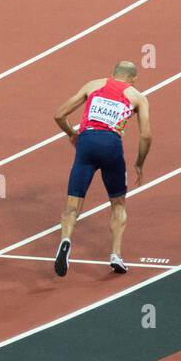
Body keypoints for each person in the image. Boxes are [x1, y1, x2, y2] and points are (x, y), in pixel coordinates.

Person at [52, 61, 151, 277]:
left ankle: (66, 240)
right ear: (133, 78)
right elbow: (146, 136)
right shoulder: (137, 96)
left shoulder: (93, 85)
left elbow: (59, 115)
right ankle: (115, 254)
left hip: (86, 142)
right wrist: (139, 163)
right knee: (117, 203)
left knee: (72, 204)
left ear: (112, 74)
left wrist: (72, 134)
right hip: (111, 145)